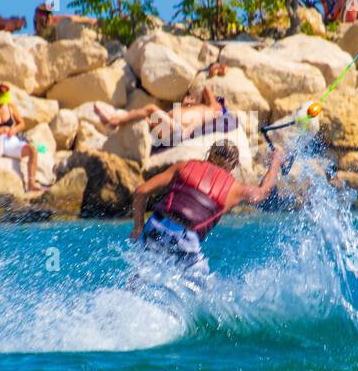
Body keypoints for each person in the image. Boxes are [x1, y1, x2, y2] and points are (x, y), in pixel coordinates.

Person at [129, 140, 284, 272]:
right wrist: (275, 163)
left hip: (155, 225)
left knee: (142, 274)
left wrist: (138, 226)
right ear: (234, 165)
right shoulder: (235, 189)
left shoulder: (184, 166)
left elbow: (141, 191)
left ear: (209, 154)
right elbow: (263, 192)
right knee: (202, 294)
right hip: (185, 239)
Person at [96, 64, 227, 145]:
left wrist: (211, 71)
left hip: (177, 133)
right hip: (171, 130)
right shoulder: (201, 111)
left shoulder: (215, 108)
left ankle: (112, 121)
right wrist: (185, 105)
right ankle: (113, 123)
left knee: (150, 109)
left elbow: (206, 90)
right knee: (143, 119)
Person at [34, 4, 99, 42]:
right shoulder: (37, 29)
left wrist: (92, 21)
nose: (43, 17)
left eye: (45, 14)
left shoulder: (57, 20)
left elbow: (77, 19)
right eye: (40, 13)